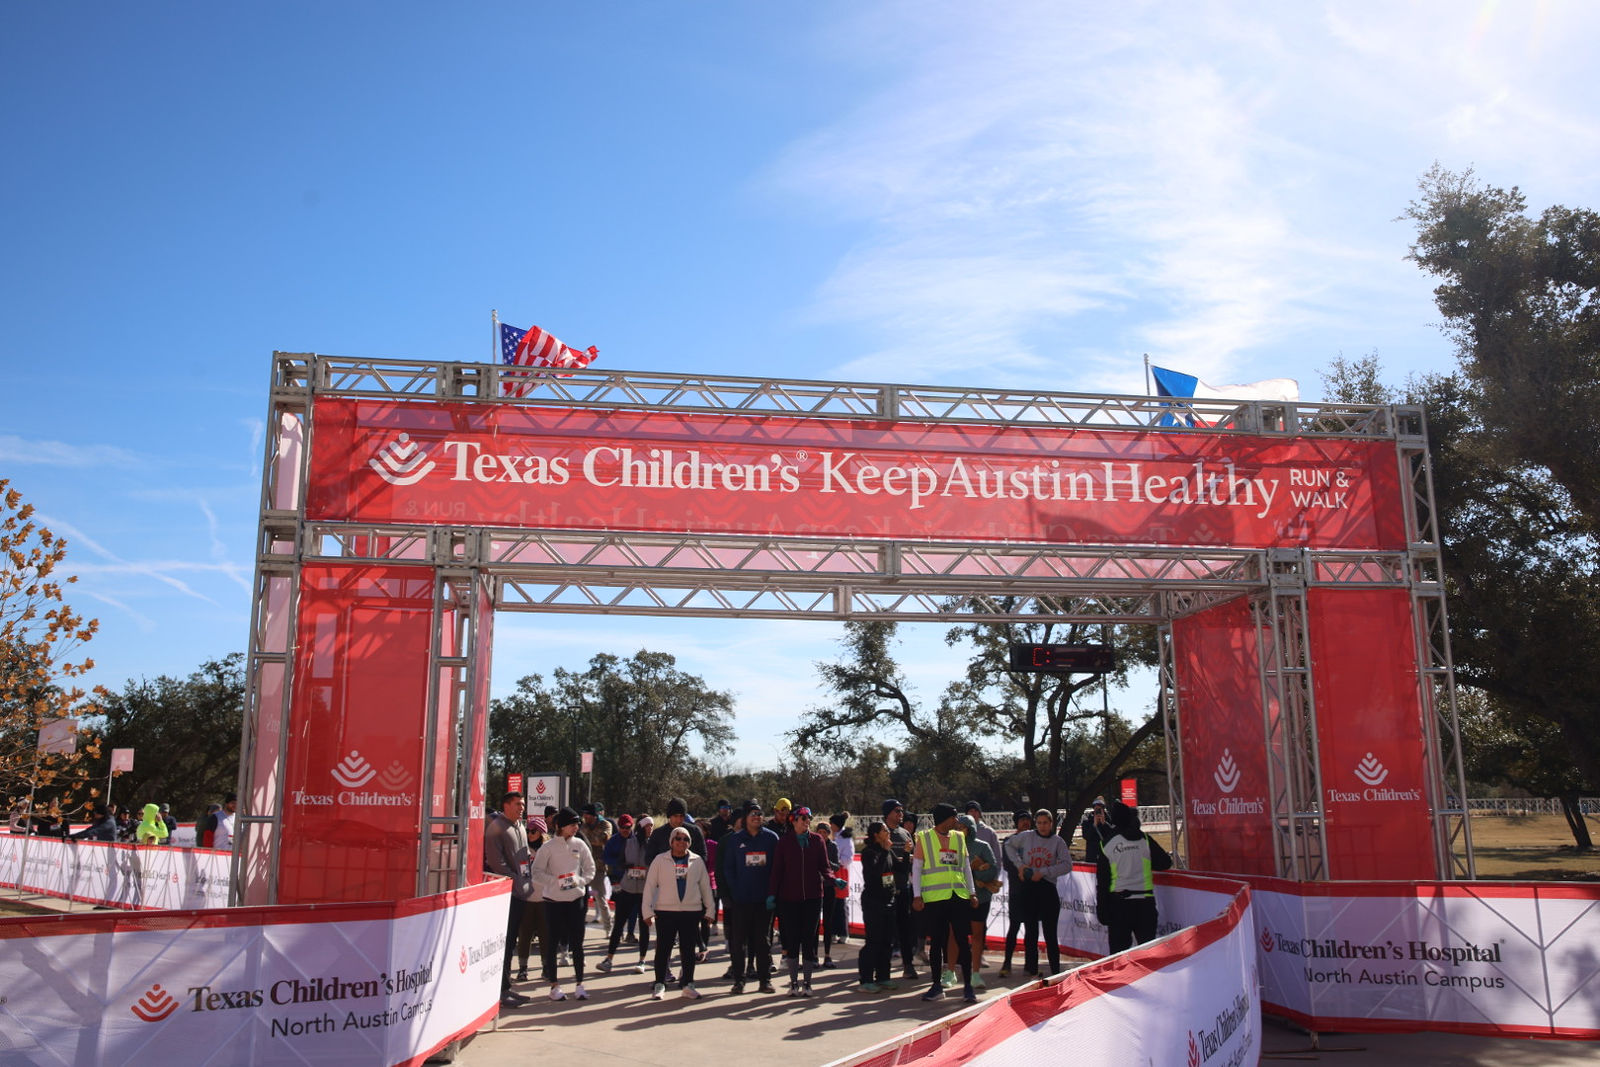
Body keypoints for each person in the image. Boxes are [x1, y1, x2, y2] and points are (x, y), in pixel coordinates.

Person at [912, 802, 979, 1004]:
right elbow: (916, 869)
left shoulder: (959, 838)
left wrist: (972, 892)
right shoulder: (924, 838)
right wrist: (917, 895)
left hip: (958, 897)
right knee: (937, 944)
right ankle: (936, 986)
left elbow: (966, 867)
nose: (957, 821)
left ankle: (968, 987)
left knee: (962, 941)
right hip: (934, 899)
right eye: (954, 817)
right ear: (944, 818)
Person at [641, 825, 716, 1000]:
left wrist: (710, 909)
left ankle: (688, 984)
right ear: (671, 841)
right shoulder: (660, 860)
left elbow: (705, 887)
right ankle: (660, 983)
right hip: (665, 910)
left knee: (688, 950)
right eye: (678, 838)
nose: (682, 842)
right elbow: (650, 886)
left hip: (691, 911)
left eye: (685, 839)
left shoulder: (697, 861)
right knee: (663, 949)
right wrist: (647, 910)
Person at [531, 806, 594, 1001]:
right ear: (560, 826)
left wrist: (580, 881)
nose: (575, 827)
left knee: (578, 943)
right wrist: (556, 881)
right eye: (572, 824)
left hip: (576, 900)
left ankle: (580, 985)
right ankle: (554, 986)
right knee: (552, 943)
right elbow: (536, 872)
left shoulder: (580, 845)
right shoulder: (547, 848)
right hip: (553, 902)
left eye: (577, 824)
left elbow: (590, 869)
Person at [770, 805, 834, 996]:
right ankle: (792, 983)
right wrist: (772, 894)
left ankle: (807, 983)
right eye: (803, 818)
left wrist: (832, 879)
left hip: (813, 898)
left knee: (808, 939)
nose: (807, 822)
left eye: (809, 818)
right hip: (788, 899)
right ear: (794, 820)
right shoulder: (784, 842)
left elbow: (825, 866)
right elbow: (777, 871)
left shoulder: (817, 841)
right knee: (791, 940)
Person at [719, 800, 779, 994]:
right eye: (752, 814)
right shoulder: (735, 840)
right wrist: (735, 891)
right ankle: (739, 981)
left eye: (759, 814)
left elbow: (777, 868)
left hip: (764, 901)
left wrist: (773, 893)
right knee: (738, 943)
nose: (756, 817)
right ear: (744, 818)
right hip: (741, 901)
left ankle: (765, 980)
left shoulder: (771, 839)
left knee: (762, 941)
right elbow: (728, 868)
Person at [1098, 800, 1173, 953]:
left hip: (1119, 905)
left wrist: (1102, 909)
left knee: (1118, 958)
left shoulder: (1107, 844)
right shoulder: (1144, 840)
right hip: (1145, 903)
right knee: (1147, 955)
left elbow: (1103, 881)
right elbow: (1165, 862)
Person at [484, 791, 535, 1007]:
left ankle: (506, 987)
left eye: (523, 804)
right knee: (504, 942)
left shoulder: (520, 826)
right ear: (506, 805)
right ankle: (501, 990)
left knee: (512, 941)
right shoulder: (497, 828)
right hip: (508, 894)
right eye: (517, 804)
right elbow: (498, 863)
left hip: (522, 892)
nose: (521, 807)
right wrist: (516, 881)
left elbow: (523, 858)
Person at [1010, 808, 1073, 978]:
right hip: (1029, 889)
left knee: (1050, 933)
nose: (1042, 826)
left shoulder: (1057, 842)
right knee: (1031, 932)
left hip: (1047, 888)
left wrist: (1045, 871)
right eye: (1039, 823)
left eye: (1045, 823)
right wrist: (1020, 865)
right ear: (1035, 824)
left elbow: (1067, 865)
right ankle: (1031, 969)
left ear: (1051, 824)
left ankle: (1055, 971)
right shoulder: (1028, 836)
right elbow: (1008, 845)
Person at [596, 814, 653, 975]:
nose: (650, 829)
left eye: (652, 826)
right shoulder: (629, 842)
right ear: (641, 828)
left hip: (644, 890)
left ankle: (642, 960)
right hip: (627, 887)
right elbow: (617, 860)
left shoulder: (652, 845)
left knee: (644, 925)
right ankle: (609, 959)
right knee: (619, 924)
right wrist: (624, 866)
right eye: (647, 826)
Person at [954, 814, 1000, 986]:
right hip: (957, 898)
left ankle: (975, 974)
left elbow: (993, 869)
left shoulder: (982, 846)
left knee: (977, 935)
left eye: (963, 827)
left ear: (970, 829)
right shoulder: (951, 847)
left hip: (980, 898)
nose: (959, 831)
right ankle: (952, 971)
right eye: (957, 828)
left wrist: (977, 873)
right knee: (955, 935)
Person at [856, 820, 899, 993]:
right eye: (884, 830)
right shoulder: (869, 852)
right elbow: (874, 873)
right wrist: (885, 852)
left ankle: (883, 976)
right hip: (873, 902)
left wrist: (908, 854)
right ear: (875, 834)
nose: (887, 831)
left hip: (889, 900)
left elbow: (899, 867)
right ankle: (866, 979)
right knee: (873, 941)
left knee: (886, 941)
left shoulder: (887, 851)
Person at [882, 799, 918, 981]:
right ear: (887, 813)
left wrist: (909, 859)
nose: (900, 814)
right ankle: (882, 969)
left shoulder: (905, 833)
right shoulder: (880, 832)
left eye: (901, 810)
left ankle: (908, 965)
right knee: (886, 930)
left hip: (904, 887)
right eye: (897, 810)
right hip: (886, 889)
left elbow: (913, 859)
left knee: (905, 928)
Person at [997, 809, 1032, 978]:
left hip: (1033, 890)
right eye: (1022, 820)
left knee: (1031, 930)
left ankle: (1030, 965)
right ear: (1016, 823)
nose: (1025, 822)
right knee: (1014, 927)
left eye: (1027, 819)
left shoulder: (1035, 840)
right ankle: (1007, 963)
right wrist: (1022, 869)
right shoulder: (1010, 841)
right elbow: (1008, 864)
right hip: (1017, 891)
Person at [515, 815, 549, 981]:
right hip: (526, 898)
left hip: (545, 898)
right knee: (525, 934)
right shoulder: (523, 850)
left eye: (533, 831)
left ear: (542, 832)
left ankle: (546, 967)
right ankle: (522, 968)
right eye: (528, 831)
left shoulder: (548, 850)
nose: (530, 834)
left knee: (545, 935)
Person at [579, 804, 614, 935]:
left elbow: (601, 840)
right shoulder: (583, 826)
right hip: (582, 866)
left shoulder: (605, 825)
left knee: (601, 899)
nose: (585, 817)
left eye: (587, 814)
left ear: (593, 815)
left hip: (598, 867)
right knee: (579, 898)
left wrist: (586, 839)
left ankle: (608, 928)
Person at [1079, 796, 1113, 867]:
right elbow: (1086, 836)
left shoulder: (1109, 820)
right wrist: (1094, 825)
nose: (1098, 811)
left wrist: (1104, 823)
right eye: (1096, 808)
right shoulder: (1087, 821)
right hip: (1092, 855)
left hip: (1106, 854)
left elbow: (1112, 835)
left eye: (1100, 808)